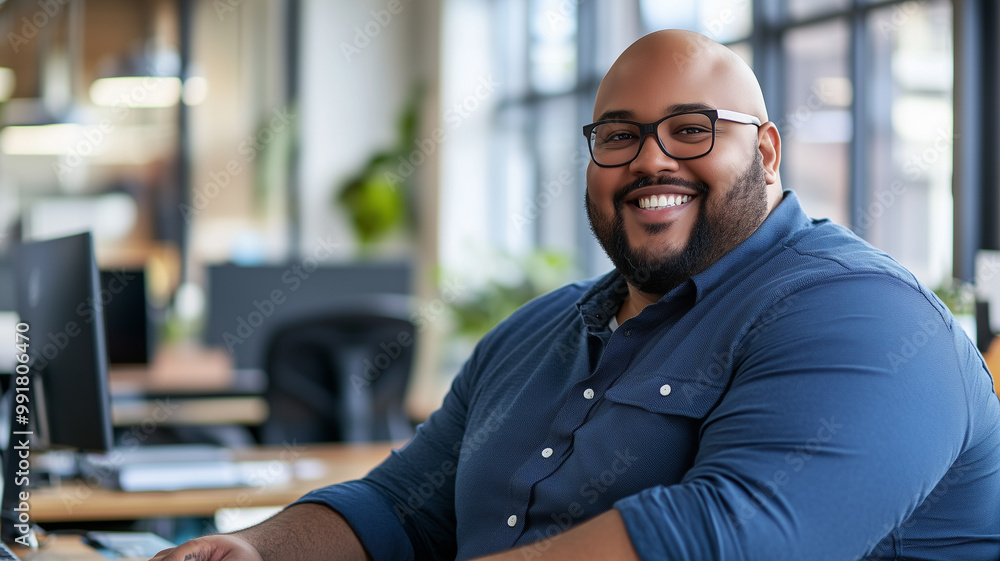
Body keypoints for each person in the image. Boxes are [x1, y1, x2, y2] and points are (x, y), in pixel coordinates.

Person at [151, 29, 1000, 561]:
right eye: (619, 135)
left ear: (768, 150)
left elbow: (720, 540)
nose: (650, 160)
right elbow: (399, 507)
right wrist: (252, 549)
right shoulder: (540, 330)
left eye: (692, 128)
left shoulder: (867, 317)